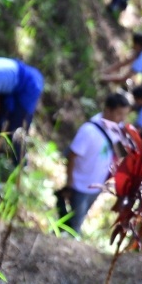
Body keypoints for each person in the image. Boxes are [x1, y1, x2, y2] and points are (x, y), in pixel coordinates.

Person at [56, 92, 130, 236]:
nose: (122, 119)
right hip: (80, 185)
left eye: (124, 115)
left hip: (96, 185)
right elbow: (72, 156)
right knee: (74, 223)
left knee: (79, 218)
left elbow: (113, 145)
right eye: (119, 114)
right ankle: (67, 244)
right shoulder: (88, 131)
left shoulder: (115, 127)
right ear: (108, 110)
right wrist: (69, 184)